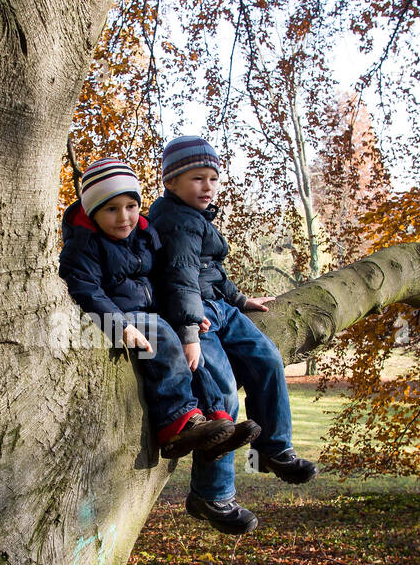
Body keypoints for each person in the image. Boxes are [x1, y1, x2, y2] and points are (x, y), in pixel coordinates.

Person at [148, 135, 317, 535]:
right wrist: (189, 333)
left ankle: (273, 448)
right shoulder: (173, 221)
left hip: (220, 308)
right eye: (196, 179)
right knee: (221, 392)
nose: (207, 187)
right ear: (171, 183)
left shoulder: (196, 218)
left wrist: (240, 300)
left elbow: (211, 273)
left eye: (212, 178)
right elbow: (181, 280)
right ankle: (211, 493)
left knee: (268, 359)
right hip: (194, 316)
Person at [58, 157, 260, 461]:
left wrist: (187, 320)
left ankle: (217, 420)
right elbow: (87, 291)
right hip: (122, 315)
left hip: (153, 312)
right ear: (92, 211)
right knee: (164, 335)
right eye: (111, 209)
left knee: (193, 352)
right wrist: (119, 326)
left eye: (131, 206)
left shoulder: (145, 236)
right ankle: (178, 422)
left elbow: (166, 280)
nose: (124, 217)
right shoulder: (84, 246)